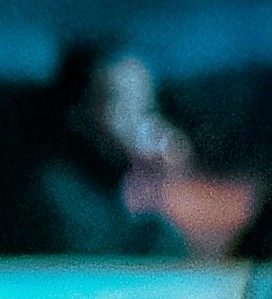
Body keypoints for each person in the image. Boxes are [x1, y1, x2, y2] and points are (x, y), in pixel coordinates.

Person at [15, 38, 190, 256]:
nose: (136, 123)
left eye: (144, 107)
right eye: (119, 105)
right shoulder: (56, 197)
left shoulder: (123, 189)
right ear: (77, 113)